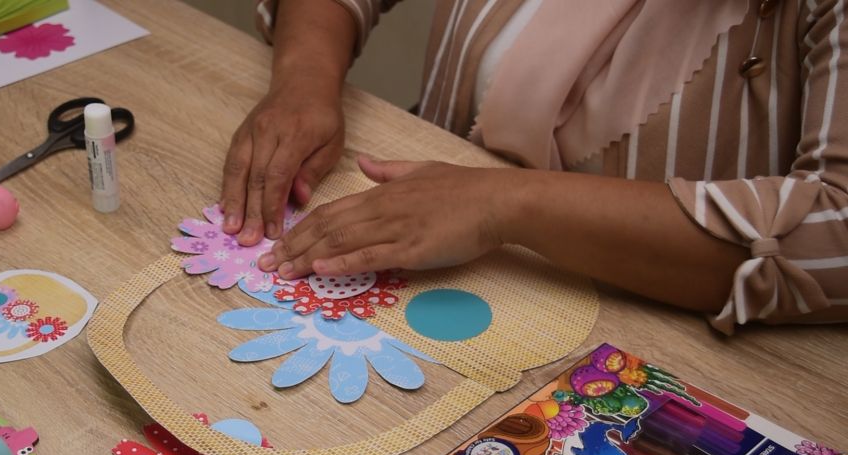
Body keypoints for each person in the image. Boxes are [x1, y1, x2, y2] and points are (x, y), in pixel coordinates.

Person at [218, 0, 848, 333]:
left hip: (648, 319)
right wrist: (304, 78)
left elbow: (836, 232)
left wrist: (503, 204)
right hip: (436, 242)